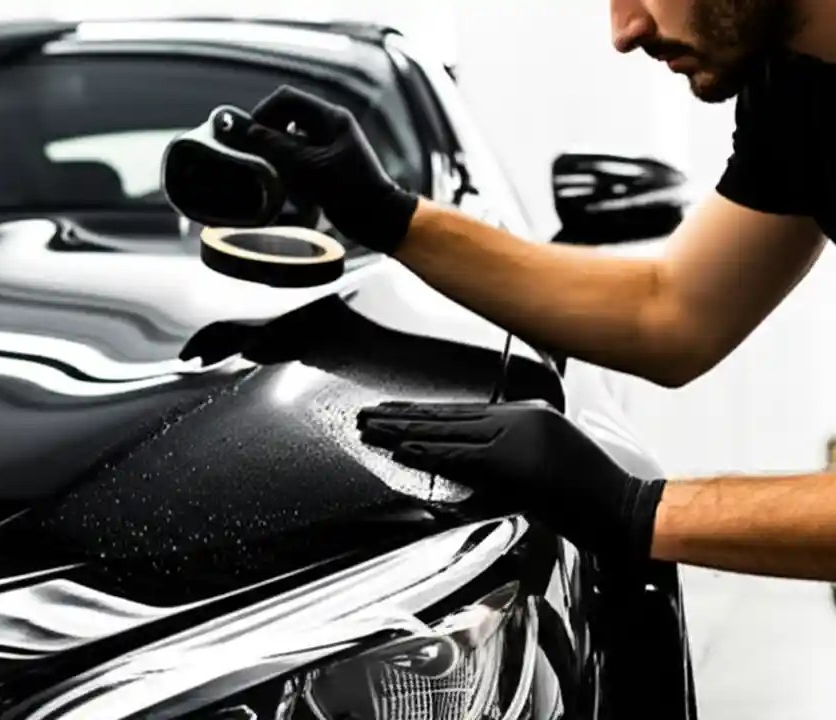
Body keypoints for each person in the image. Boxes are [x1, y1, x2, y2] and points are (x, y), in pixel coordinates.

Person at [229, 0, 836, 582]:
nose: (624, 28)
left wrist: (632, 508)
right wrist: (391, 217)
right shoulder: (798, 87)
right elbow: (670, 310)